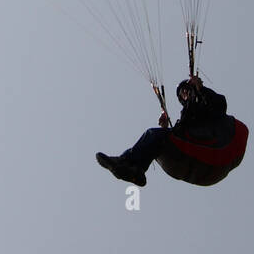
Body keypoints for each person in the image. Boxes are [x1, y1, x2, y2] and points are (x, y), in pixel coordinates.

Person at [96, 76, 233, 187]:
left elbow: (220, 105)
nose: (184, 94)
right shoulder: (189, 112)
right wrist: (165, 128)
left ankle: (127, 163)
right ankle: (133, 171)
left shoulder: (205, 103)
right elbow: (183, 131)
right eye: (181, 94)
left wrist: (201, 89)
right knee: (157, 138)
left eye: (186, 90)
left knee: (153, 134)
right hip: (202, 159)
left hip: (216, 147)